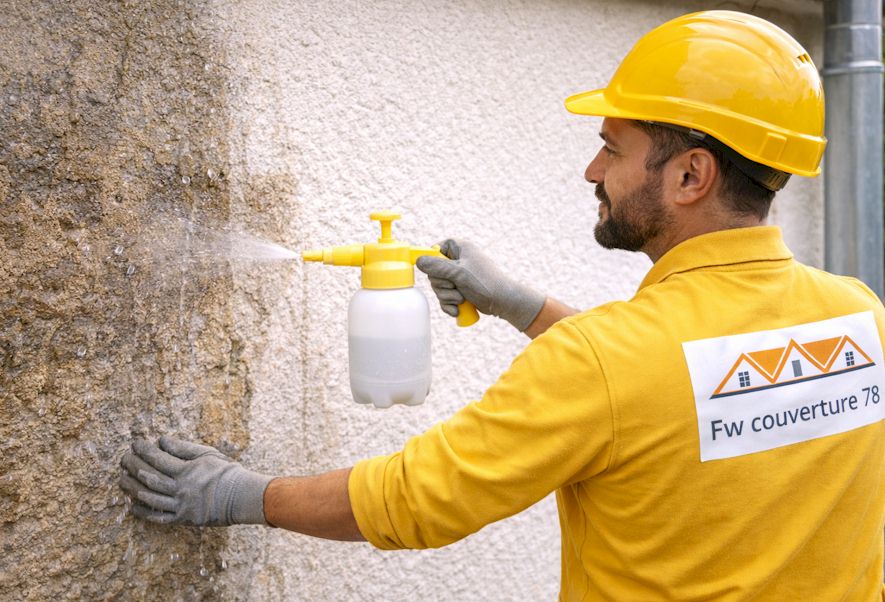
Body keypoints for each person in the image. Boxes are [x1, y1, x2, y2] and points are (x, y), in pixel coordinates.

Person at [119, 10, 885, 600]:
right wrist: (525, 307)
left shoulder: (606, 362)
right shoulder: (856, 318)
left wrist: (243, 496)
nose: (592, 168)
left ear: (690, 176)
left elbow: (419, 498)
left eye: (612, 148)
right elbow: (679, 386)